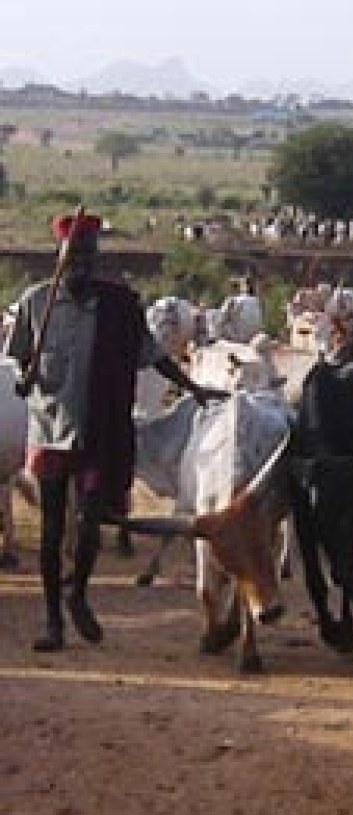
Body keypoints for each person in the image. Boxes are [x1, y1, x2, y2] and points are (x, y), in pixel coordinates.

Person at [5, 210, 223, 651]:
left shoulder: (120, 306)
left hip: (100, 431)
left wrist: (193, 387)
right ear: (61, 259)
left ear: (96, 258)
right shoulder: (34, 303)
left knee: (90, 522)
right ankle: (52, 622)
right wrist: (23, 379)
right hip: (50, 430)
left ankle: (77, 593)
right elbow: (19, 359)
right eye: (75, 259)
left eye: (89, 258)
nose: (83, 268)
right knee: (50, 529)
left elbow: (152, 354)